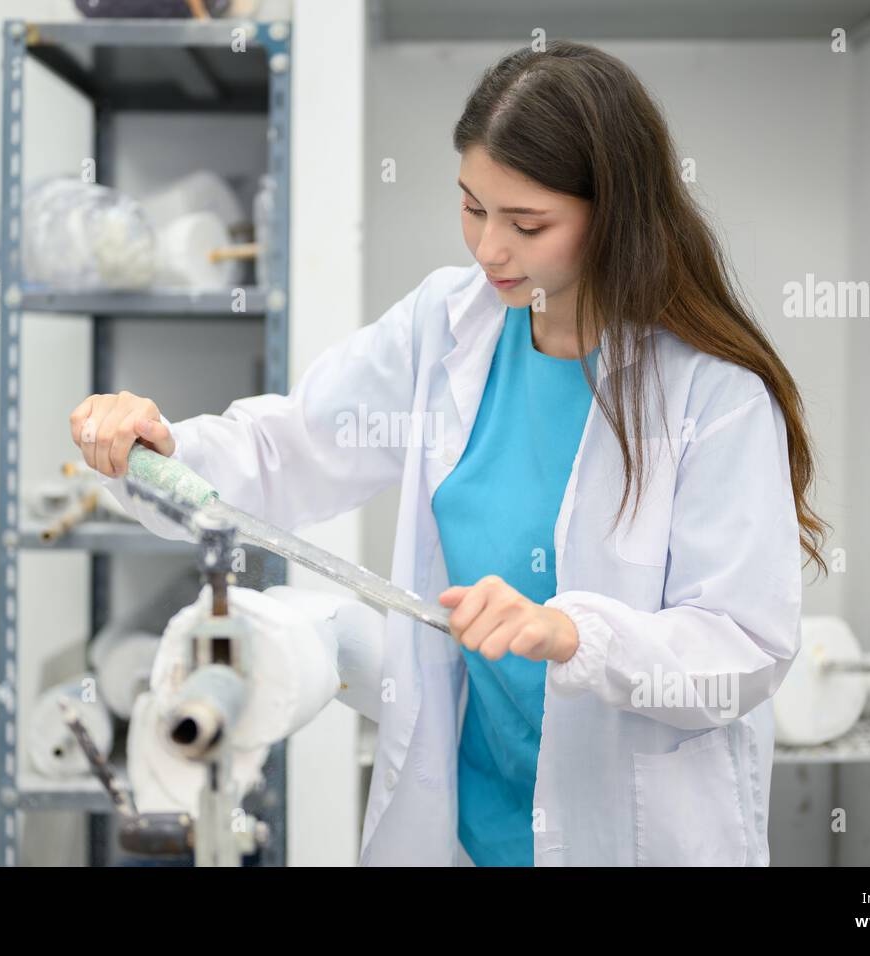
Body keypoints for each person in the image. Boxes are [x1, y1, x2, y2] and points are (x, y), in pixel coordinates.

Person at [69, 41, 828, 866]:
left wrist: (575, 633)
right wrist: (161, 448)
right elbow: (291, 447)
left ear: (615, 215)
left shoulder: (713, 396)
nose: (489, 250)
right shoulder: (447, 322)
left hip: (633, 835)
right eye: (472, 207)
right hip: (470, 827)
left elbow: (742, 649)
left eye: (527, 223)